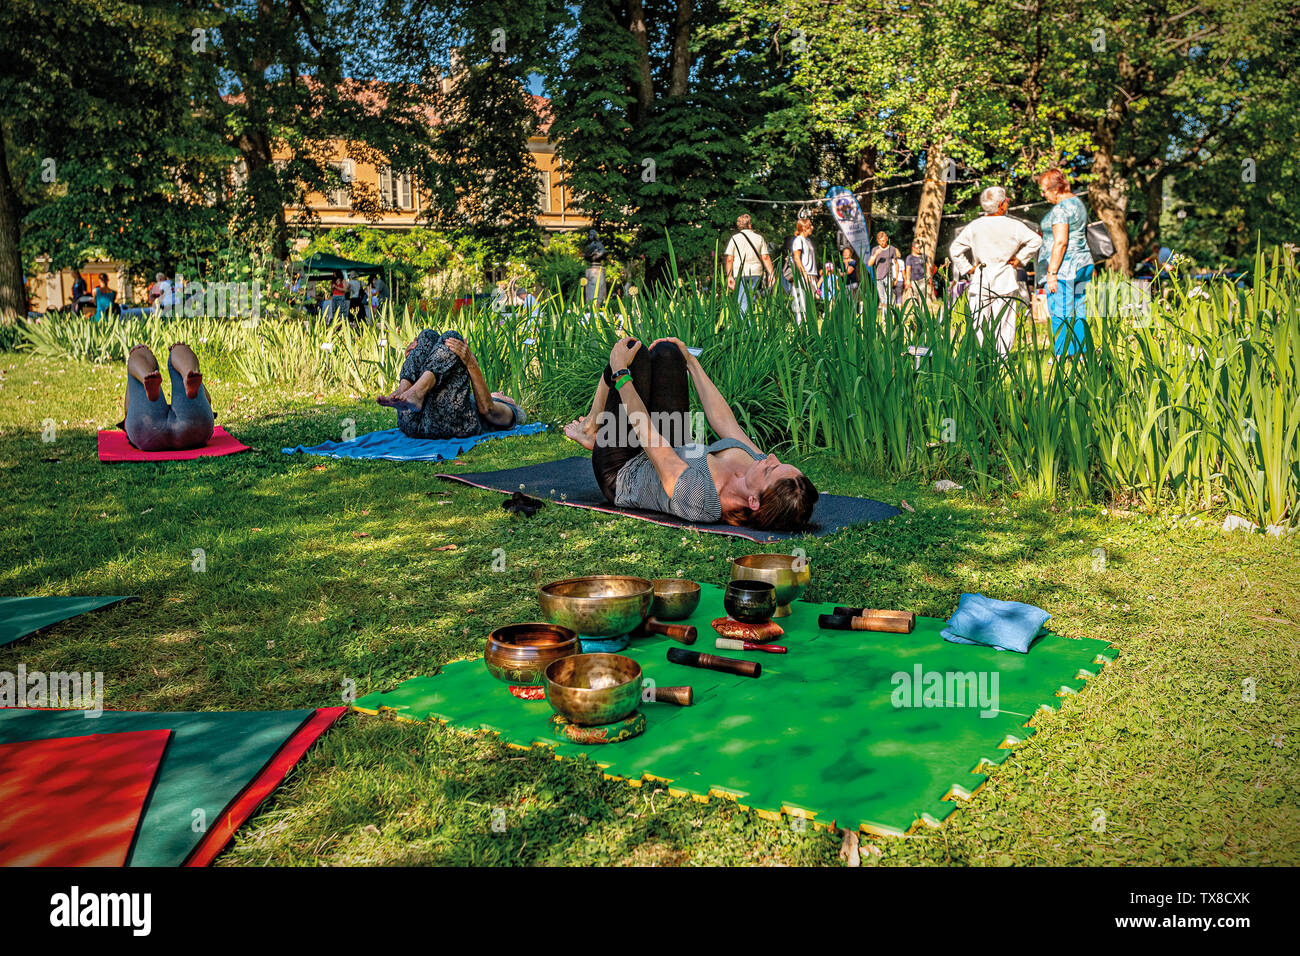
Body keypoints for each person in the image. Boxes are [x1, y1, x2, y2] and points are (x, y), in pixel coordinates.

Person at [562, 336, 819, 532]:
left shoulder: (701, 497)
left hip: (625, 468)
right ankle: (595, 428)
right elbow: (724, 421)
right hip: (669, 443)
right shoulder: (755, 465)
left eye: (770, 469)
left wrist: (619, 373)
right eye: (779, 463)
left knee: (632, 359)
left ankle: (591, 429)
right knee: (669, 354)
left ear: (753, 502)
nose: (771, 457)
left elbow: (649, 438)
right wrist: (691, 362)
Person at [377, 330, 526, 440]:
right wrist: (415, 358)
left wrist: (471, 363)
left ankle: (414, 392)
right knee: (427, 337)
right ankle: (405, 391)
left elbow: (488, 410)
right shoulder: (464, 396)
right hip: (411, 419)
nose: (501, 392)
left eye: (506, 396)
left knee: (453, 338)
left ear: (511, 403)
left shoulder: (510, 412)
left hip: (450, 425)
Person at [948, 186, 1043, 354]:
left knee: (979, 323)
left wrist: (968, 268)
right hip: (1005, 279)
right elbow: (1036, 240)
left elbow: (955, 249)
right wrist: (1020, 258)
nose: (1007, 204)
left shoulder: (975, 226)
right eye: (1006, 201)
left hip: (981, 279)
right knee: (1005, 324)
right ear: (1001, 205)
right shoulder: (1014, 225)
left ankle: (980, 359)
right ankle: (1001, 361)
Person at [1036, 168, 1095, 356]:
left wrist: (1051, 272)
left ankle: (1063, 354)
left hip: (1065, 267)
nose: (1043, 195)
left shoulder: (1061, 209)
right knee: (1078, 310)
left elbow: (1061, 242)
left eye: (1044, 190)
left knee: (1060, 311)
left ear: (1055, 189)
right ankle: (1081, 352)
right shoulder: (1077, 203)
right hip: (1083, 263)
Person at [121, 342, 214, 451]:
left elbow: (128, 408)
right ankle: (188, 373)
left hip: (146, 431)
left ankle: (145, 376)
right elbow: (208, 399)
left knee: (139, 351)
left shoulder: (130, 422)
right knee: (179, 347)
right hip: (196, 429)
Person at [724, 214, 776, 315]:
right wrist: (771, 274)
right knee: (751, 298)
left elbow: (730, 259)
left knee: (742, 300)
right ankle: (751, 323)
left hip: (740, 273)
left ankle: (746, 327)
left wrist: (729, 276)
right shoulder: (759, 238)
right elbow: (765, 257)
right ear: (749, 225)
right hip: (756, 273)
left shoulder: (734, 238)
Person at [789, 217, 819, 324]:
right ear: (804, 227)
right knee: (801, 304)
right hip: (803, 275)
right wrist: (804, 272)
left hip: (811, 275)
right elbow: (796, 258)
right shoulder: (798, 240)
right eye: (810, 226)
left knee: (809, 304)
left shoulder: (808, 241)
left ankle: (809, 328)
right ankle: (800, 327)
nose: (812, 227)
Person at [865, 232, 901, 312]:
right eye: (880, 241)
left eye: (884, 240)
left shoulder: (891, 249)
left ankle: (889, 317)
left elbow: (896, 263)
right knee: (882, 299)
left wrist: (896, 278)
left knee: (888, 297)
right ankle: (885, 320)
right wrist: (875, 255)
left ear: (887, 239)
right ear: (878, 241)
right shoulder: (875, 249)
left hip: (888, 276)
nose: (882, 242)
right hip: (878, 277)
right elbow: (869, 264)